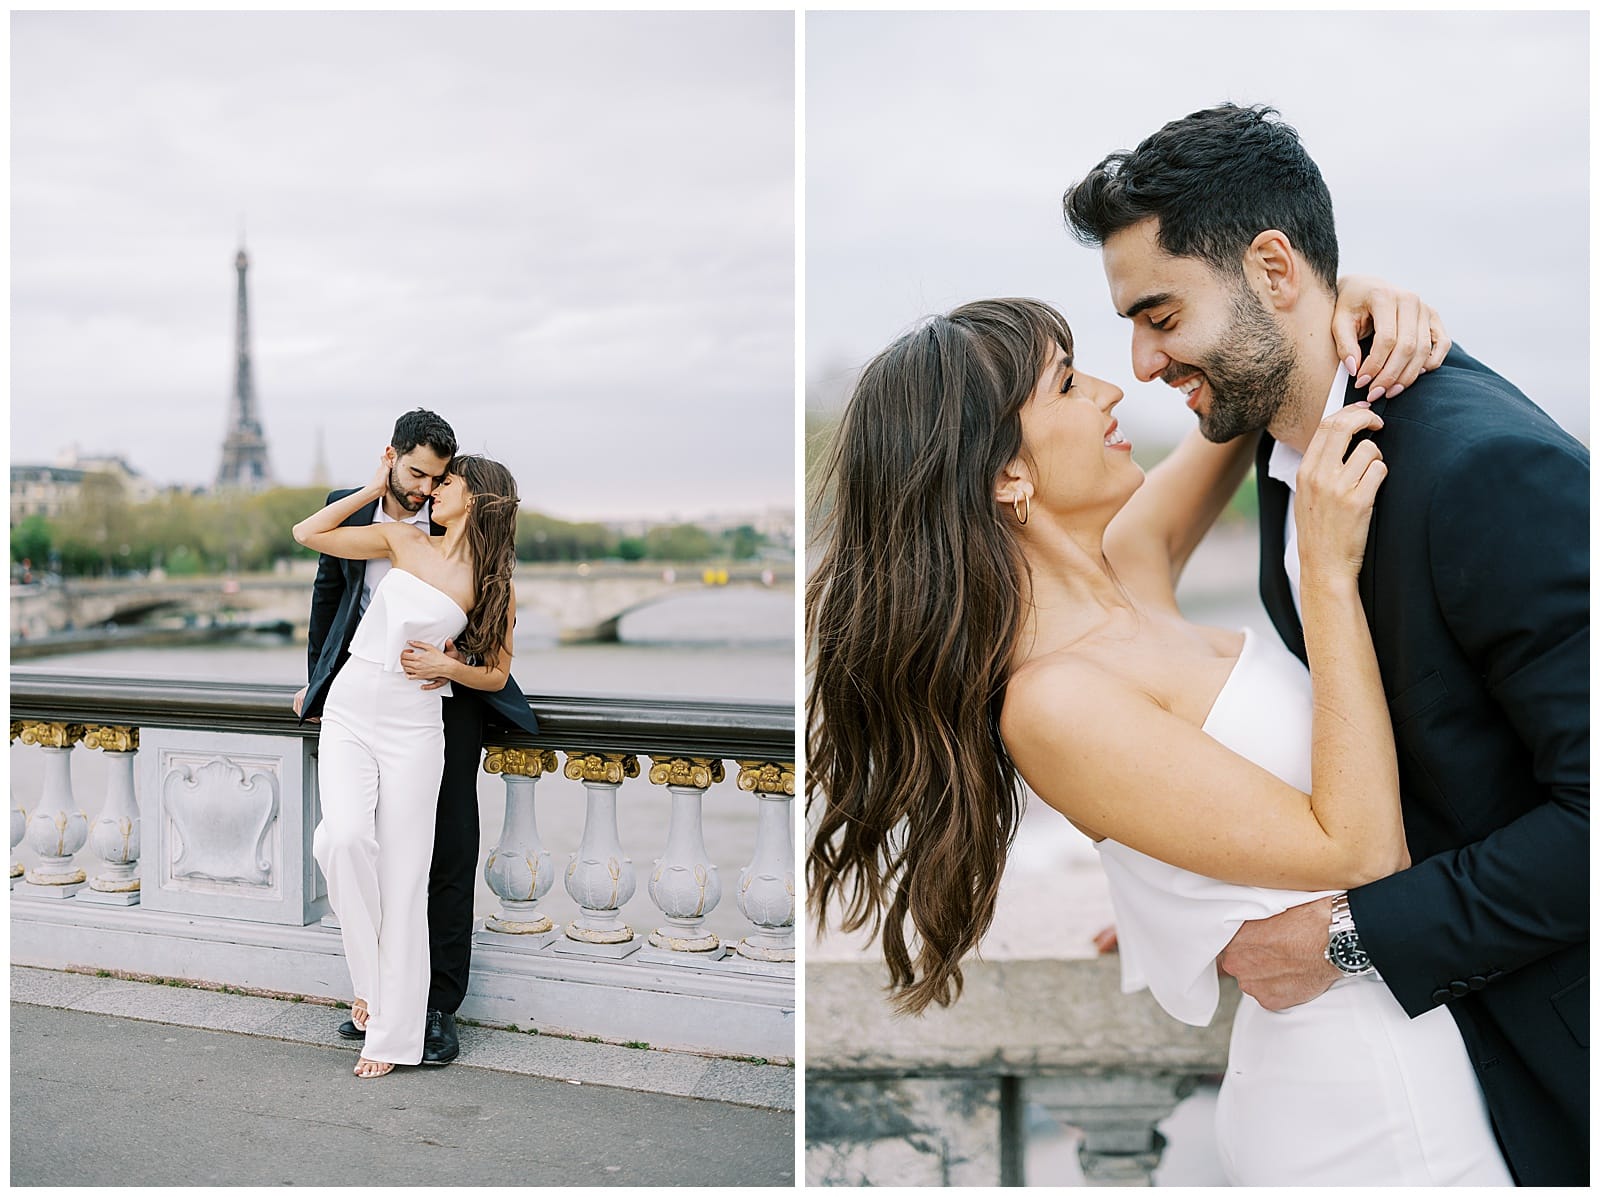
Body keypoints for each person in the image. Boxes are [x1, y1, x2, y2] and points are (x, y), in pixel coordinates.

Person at [805, 284, 1528, 1183]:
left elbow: (1242, 404)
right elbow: (1361, 849)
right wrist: (1330, 574)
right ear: (1005, 476)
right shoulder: (1053, 700)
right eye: (1067, 384)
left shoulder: (1127, 573)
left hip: (1416, 1043)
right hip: (1358, 1092)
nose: (1112, 390)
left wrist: (1349, 307)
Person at [1063, 103, 1587, 1187]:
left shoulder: (1484, 472)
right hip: (1436, 1051)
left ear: (1270, 268)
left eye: (1159, 314)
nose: (1143, 362)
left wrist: (1348, 935)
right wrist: (1202, 884)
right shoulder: (1283, 457)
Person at [293, 420, 537, 1076]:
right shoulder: (399, 533)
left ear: (469, 494)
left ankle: (419, 1018)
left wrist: (453, 662)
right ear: (393, 460)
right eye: (421, 475)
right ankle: (376, 986)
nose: (430, 488)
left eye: (444, 478)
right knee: (341, 839)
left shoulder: (484, 574)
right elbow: (317, 564)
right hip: (354, 698)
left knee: (431, 860)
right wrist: (314, 679)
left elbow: (494, 661)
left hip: (429, 713)